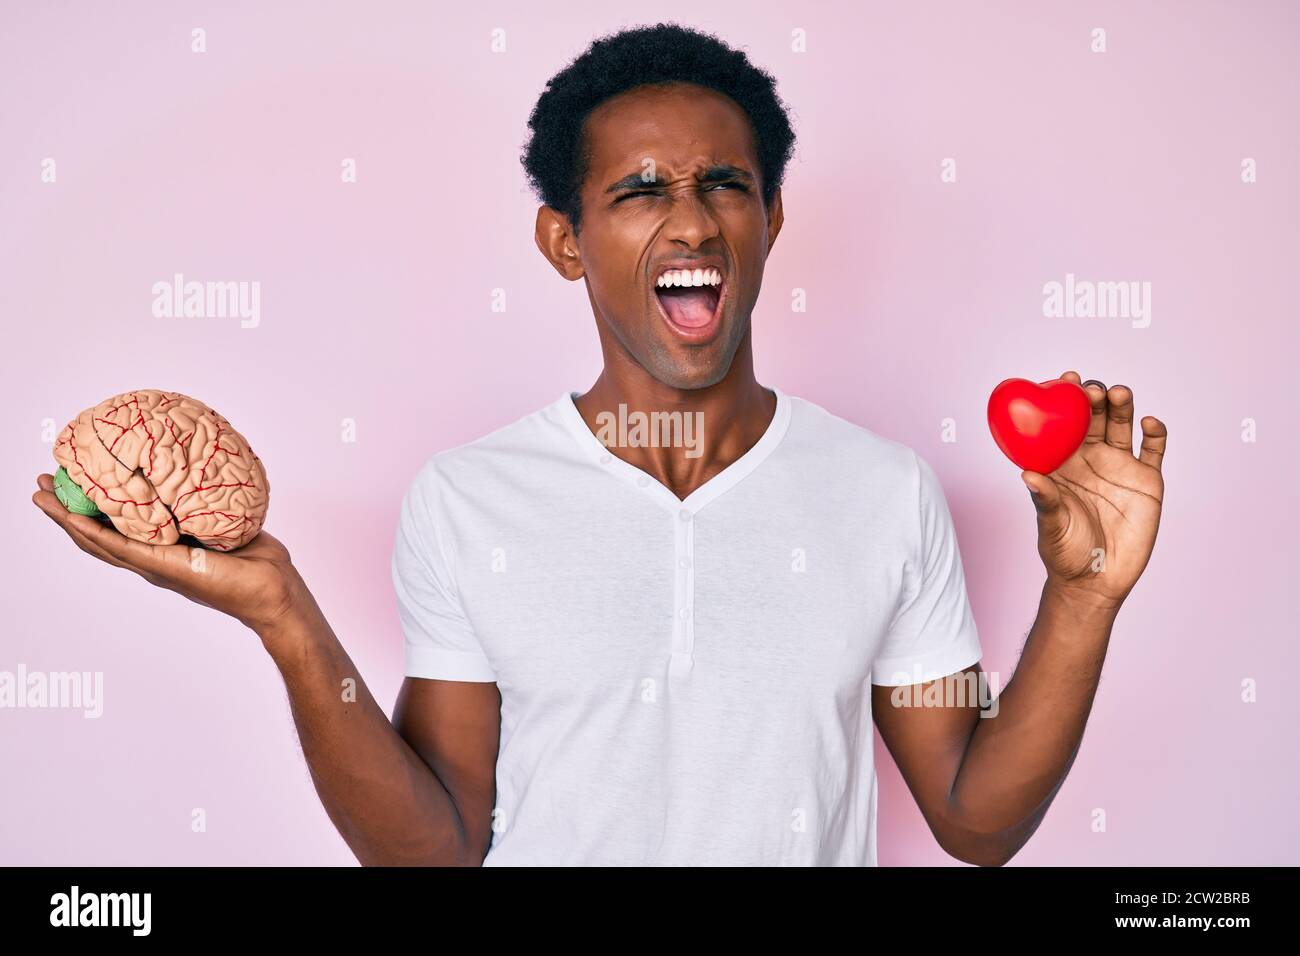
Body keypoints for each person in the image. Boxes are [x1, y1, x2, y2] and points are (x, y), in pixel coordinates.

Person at [31, 23, 1167, 866]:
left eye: (726, 183)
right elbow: (433, 846)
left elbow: (972, 818)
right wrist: (283, 615)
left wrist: (1082, 597)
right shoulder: (468, 500)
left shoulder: (884, 492)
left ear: (770, 222)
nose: (689, 219)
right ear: (565, 242)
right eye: (638, 191)